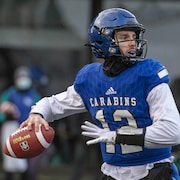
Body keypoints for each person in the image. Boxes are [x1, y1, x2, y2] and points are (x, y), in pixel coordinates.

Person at [20, 8, 180, 180]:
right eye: (124, 38)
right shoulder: (91, 79)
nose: (132, 43)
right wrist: (38, 113)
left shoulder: (147, 74)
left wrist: (117, 136)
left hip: (153, 171)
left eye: (133, 37)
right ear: (103, 41)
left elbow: (172, 132)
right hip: (112, 172)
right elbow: (54, 105)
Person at [0, 66, 41, 180]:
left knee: (28, 168)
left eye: (25, 77)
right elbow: (1, 114)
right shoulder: (9, 94)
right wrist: (6, 115)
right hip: (12, 132)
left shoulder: (34, 95)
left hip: (30, 133)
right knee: (11, 164)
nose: (23, 80)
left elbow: (42, 113)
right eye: (21, 77)